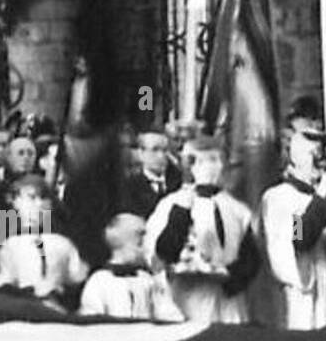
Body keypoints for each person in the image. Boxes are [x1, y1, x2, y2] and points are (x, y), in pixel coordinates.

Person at [145, 133, 259, 326]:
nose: (210, 167)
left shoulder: (237, 209)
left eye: (215, 160)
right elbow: (161, 253)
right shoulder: (171, 205)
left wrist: (230, 279)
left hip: (228, 304)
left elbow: (251, 259)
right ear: (189, 166)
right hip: (188, 299)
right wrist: (182, 212)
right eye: (200, 161)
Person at [259, 129, 326, 329]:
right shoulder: (279, 198)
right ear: (294, 159)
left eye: (323, 155)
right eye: (314, 154)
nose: (321, 162)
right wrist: (322, 203)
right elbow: (299, 238)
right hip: (307, 303)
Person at [0, 176, 90, 304]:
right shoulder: (9, 246)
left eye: (43, 198)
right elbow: (2, 281)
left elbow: (77, 276)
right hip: (23, 307)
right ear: (16, 202)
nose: (38, 204)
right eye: (31, 198)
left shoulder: (63, 244)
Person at [80, 214, 184, 322]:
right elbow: (92, 321)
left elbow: (168, 314)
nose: (145, 245)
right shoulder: (99, 281)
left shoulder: (147, 280)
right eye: (140, 238)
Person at [120, 129, 182, 218]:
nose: (161, 156)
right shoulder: (129, 187)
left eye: (164, 150)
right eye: (155, 150)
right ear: (141, 153)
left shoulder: (179, 181)